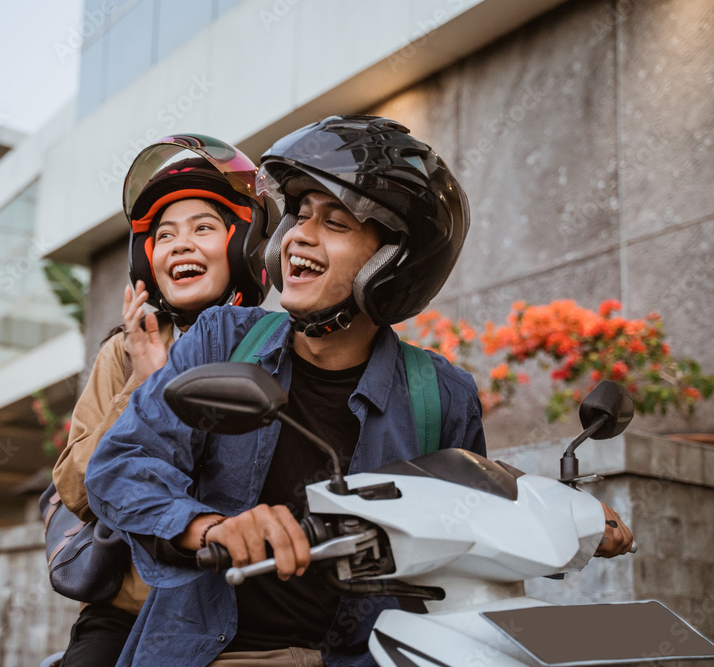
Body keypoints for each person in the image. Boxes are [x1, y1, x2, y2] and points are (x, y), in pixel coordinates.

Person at [84, 115, 634, 667]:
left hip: (368, 655)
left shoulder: (439, 394)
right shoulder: (223, 341)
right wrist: (211, 526)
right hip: (215, 652)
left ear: (393, 260)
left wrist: (554, 511)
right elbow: (123, 462)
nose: (299, 234)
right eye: (300, 216)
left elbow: (463, 526)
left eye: (336, 223)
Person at [51, 134, 273, 666]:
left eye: (203, 228)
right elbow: (78, 490)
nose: (181, 244)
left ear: (242, 244)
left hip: (239, 608)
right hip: (128, 608)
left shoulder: (275, 346)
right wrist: (144, 381)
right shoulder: (121, 354)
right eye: (166, 234)